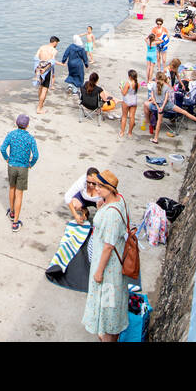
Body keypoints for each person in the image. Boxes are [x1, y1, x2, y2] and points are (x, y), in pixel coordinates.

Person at [81, 170, 129, 341]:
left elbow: (108, 246)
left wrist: (99, 271)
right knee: (107, 307)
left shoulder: (111, 214)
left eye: (100, 186)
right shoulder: (119, 200)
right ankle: (104, 333)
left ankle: (107, 336)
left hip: (109, 270)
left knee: (108, 309)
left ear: (110, 189)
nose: (97, 189)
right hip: (112, 264)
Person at [0, 114, 39, 231]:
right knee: (19, 194)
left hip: (12, 165)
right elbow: (36, 155)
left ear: (16, 123)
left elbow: (2, 148)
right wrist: (31, 164)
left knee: (12, 188)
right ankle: (15, 222)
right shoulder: (30, 138)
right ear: (27, 125)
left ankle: (11, 212)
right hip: (23, 168)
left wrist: (7, 158)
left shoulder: (11, 135)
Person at [33, 36, 62, 113]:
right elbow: (52, 61)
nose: (57, 45)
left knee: (40, 87)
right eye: (57, 43)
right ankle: (39, 108)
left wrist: (37, 68)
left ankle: (40, 104)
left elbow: (36, 57)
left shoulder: (42, 47)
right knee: (44, 89)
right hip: (46, 71)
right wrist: (45, 69)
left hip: (39, 68)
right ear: (55, 42)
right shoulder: (54, 50)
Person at [119, 69, 140, 137]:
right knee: (132, 117)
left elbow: (124, 93)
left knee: (124, 116)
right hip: (134, 101)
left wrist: (121, 88)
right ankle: (130, 133)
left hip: (127, 101)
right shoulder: (137, 83)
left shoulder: (128, 83)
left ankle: (122, 132)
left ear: (130, 76)